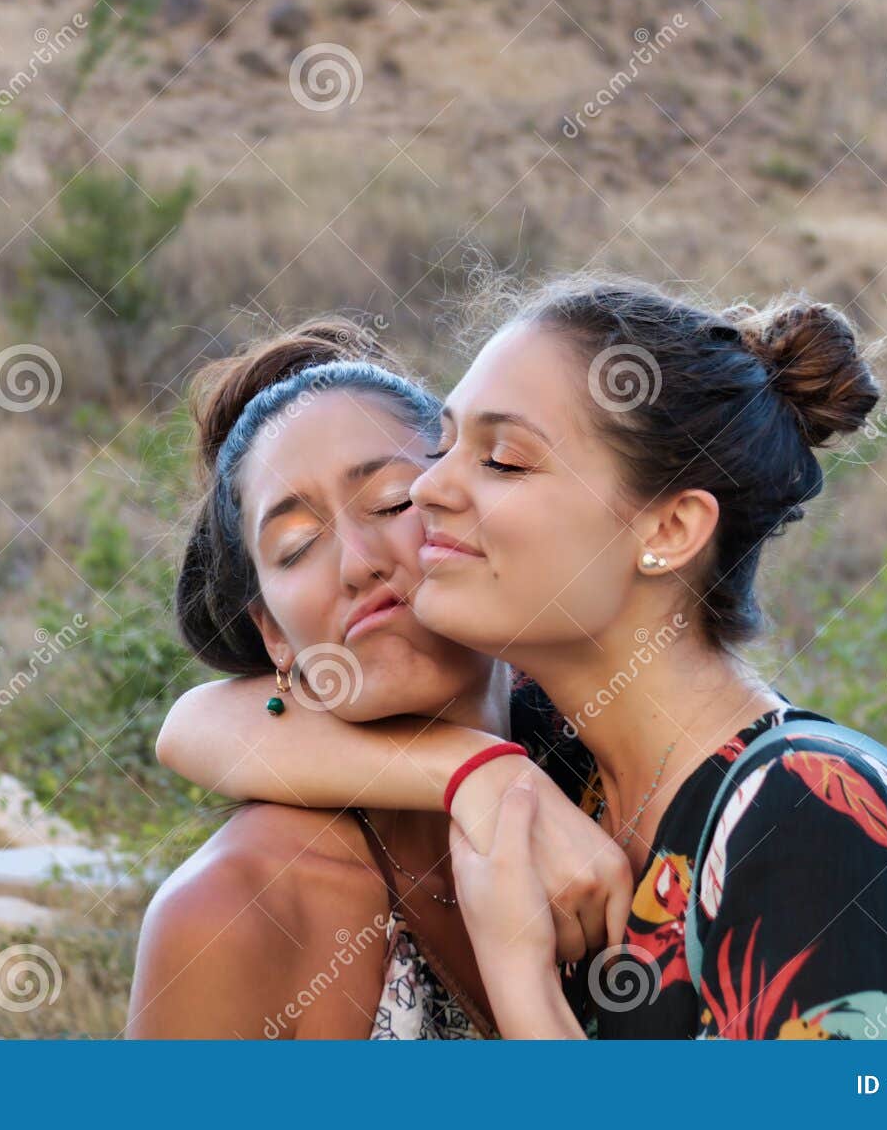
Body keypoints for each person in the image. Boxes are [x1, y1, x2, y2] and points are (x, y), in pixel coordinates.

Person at [161, 278, 887, 1039]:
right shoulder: (564, 757)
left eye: (502, 460)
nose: (429, 493)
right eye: (444, 449)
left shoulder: (801, 813)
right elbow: (203, 722)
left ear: (669, 529)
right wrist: (479, 773)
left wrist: (523, 986)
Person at [125, 321, 626, 1039]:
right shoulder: (238, 911)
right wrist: (479, 772)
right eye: (296, 546)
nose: (357, 563)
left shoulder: (606, 760)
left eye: (393, 502)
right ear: (274, 635)